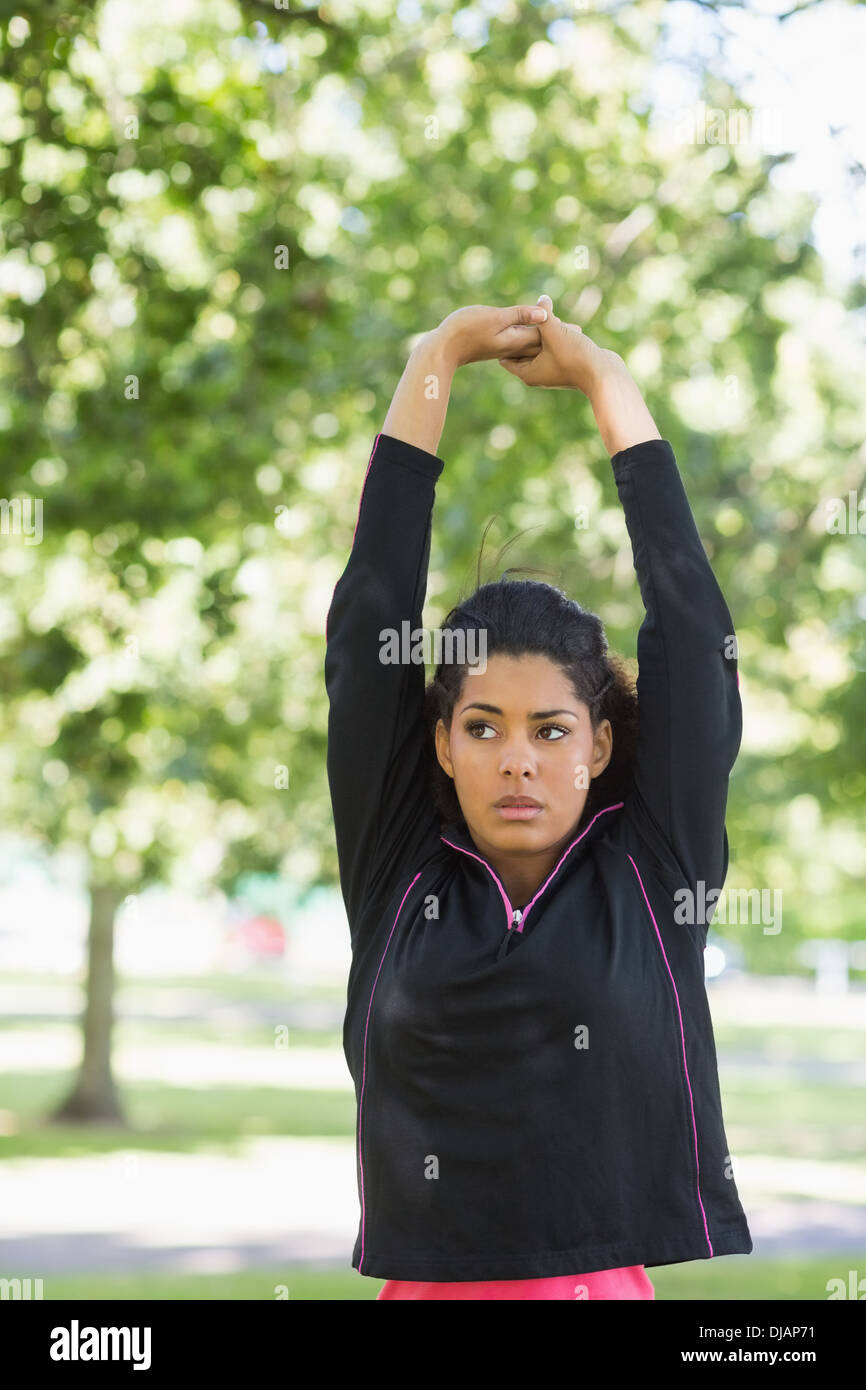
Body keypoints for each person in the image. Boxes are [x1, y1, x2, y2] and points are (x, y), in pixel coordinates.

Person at [324, 295, 752, 1300]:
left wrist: (609, 386)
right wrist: (436, 356)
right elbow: (368, 620)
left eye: (549, 730)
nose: (515, 759)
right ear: (441, 740)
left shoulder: (653, 869)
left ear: (598, 744)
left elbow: (692, 643)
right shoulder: (398, 870)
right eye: (482, 727)